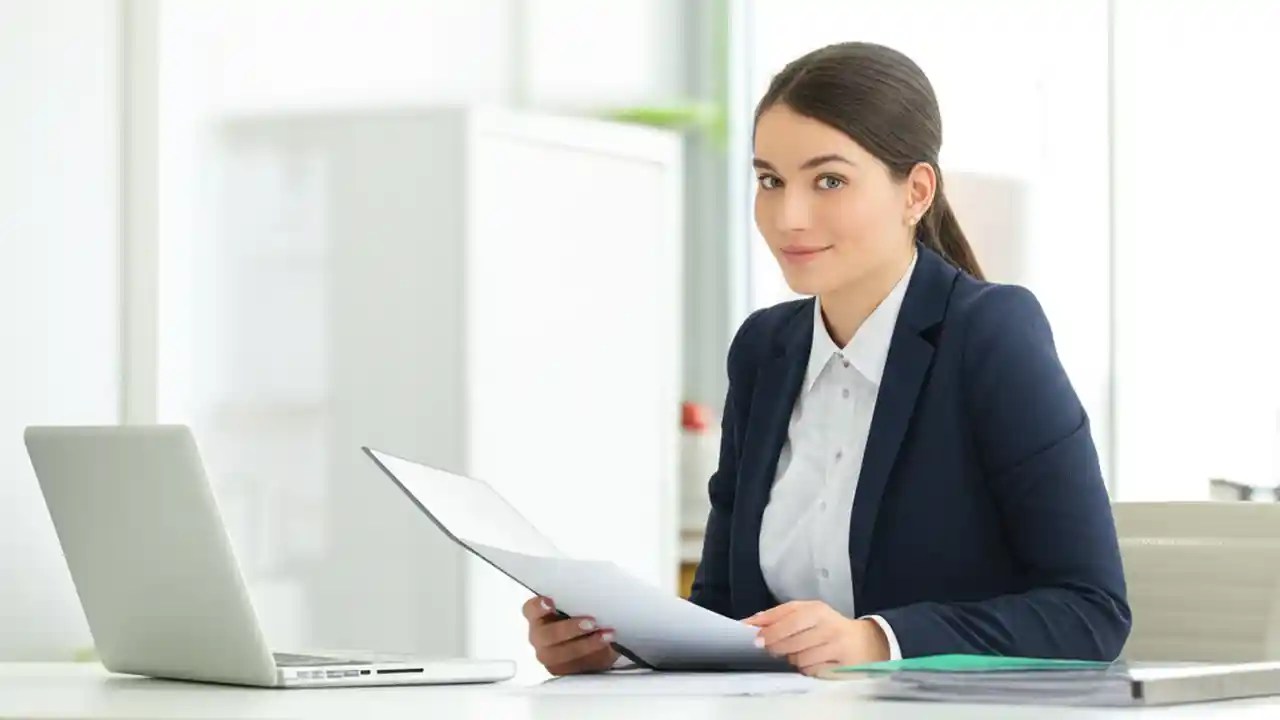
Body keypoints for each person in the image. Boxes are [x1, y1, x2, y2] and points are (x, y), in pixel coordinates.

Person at [522, 41, 1130, 677]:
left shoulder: (990, 334)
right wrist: (617, 649)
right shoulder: (764, 350)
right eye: (770, 180)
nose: (789, 215)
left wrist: (877, 640)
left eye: (829, 181)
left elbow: (1089, 611)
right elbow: (726, 613)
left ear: (916, 192)